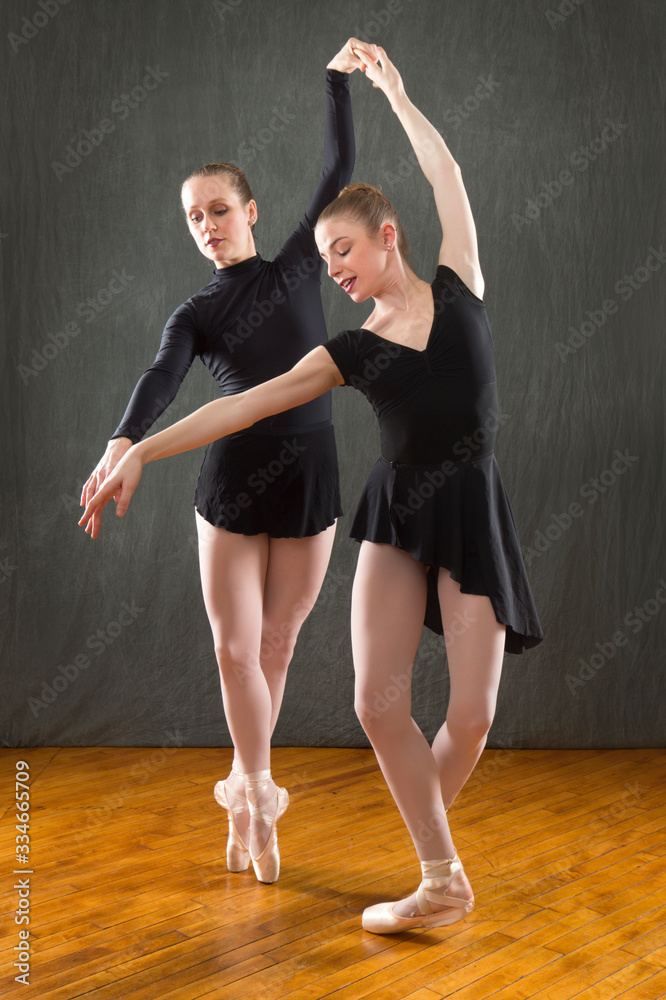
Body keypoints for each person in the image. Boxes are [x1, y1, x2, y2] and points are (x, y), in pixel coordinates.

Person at [80, 44, 543, 932]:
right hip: (393, 517)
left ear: (387, 237)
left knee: (475, 717)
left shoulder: (463, 284)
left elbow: (443, 171)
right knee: (371, 699)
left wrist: (396, 94)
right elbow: (240, 405)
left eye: (343, 252)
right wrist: (139, 448)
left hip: (473, 511)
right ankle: (440, 874)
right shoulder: (349, 349)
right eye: (324, 256)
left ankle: (425, 843)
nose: (331, 269)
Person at [80, 40, 363, 885]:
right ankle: (262, 795)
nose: (206, 226)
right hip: (233, 486)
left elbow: (340, 165)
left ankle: (242, 794)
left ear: (250, 210)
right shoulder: (194, 312)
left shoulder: (298, 266)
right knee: (236, 653)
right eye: (193, 217)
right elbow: (159, 380)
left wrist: (335, 80)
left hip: (312, 475)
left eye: (217, 209)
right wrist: (122, 440)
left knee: (276, 649)